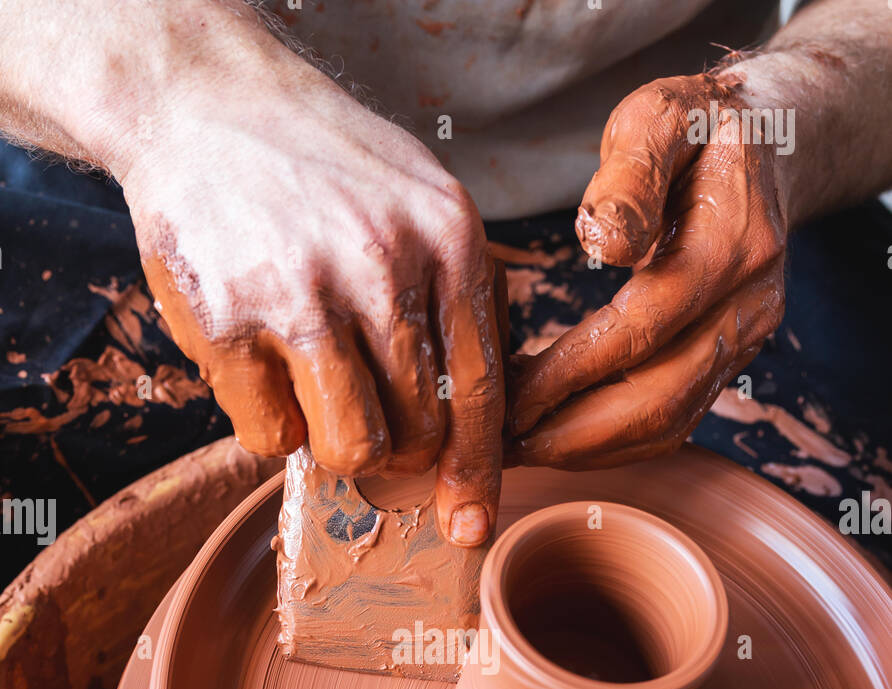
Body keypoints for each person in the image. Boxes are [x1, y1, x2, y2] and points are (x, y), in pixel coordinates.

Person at [1, 0, 890, 552]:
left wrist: (784, 119)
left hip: (657, 187)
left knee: (847, 514)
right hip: (150, 117)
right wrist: (180, 97)